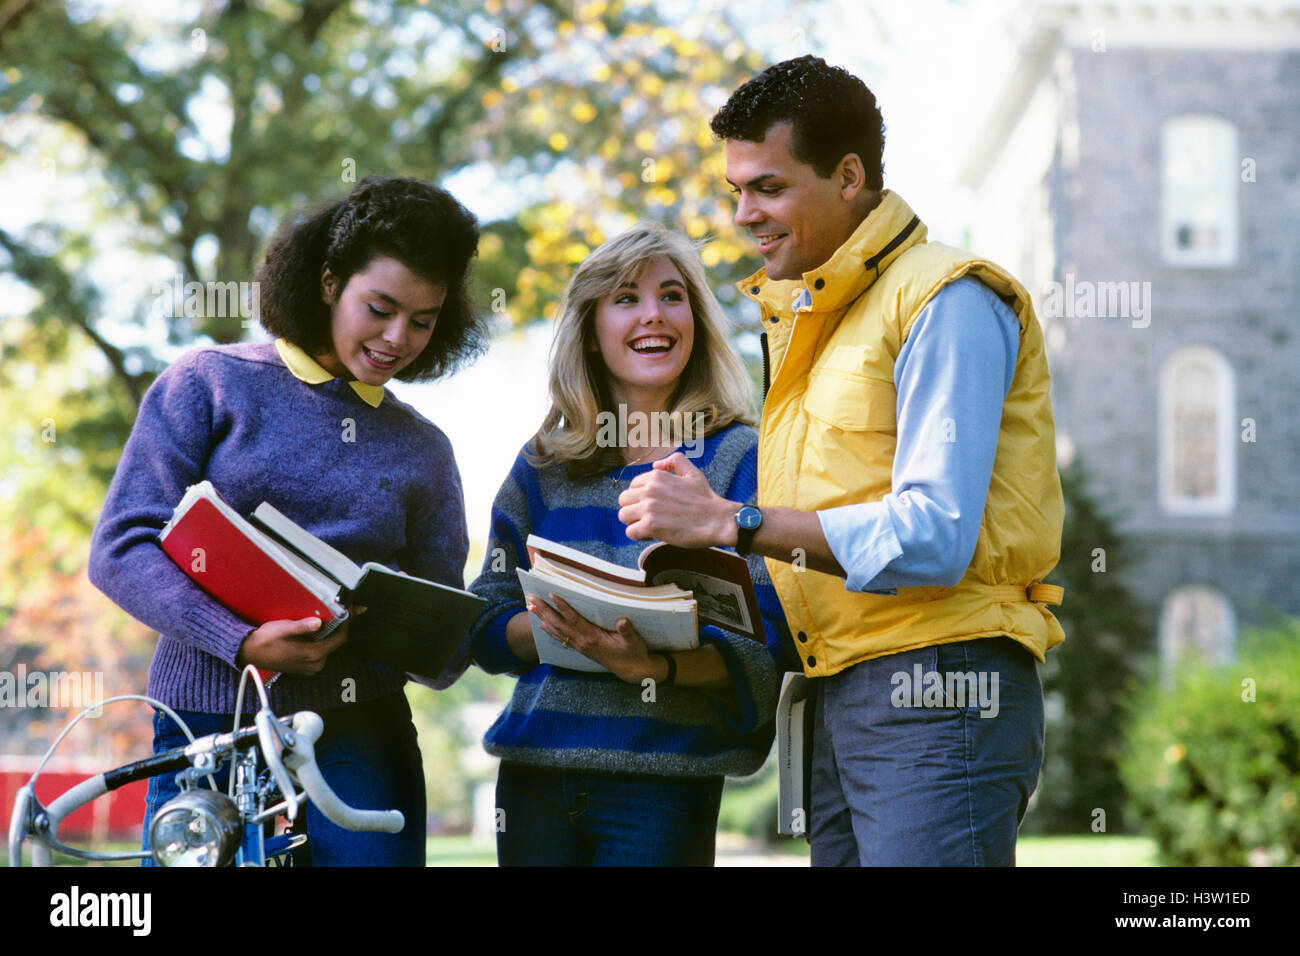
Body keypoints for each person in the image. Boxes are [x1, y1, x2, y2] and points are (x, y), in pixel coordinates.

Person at [617, 56, 1066, 866]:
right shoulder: (810, 322)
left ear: (849, 175)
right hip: (837, 690)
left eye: (769, 188)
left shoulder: (946, 300)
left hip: (940, 686)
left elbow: (934, 534)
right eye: (736, 192)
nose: (745, 214)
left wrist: (732, 521)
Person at [89, 175, 487, 866]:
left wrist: (420, 628)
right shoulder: (209, 383)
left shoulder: (425, 449)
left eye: (422, 320)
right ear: (329, 282)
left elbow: (443, 642)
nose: (398, 338)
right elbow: (121, 547)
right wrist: (240, 639)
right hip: (206, 724)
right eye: (381, 307)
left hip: (361, 732)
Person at [467, 221, 793, 867]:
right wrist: (562, 631)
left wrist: (654, 666)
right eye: (626, 298)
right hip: (534, 780)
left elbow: (772, 639)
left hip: (664, 785)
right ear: (590, 329)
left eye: (673, 296)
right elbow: (480, 623)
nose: (655, 315)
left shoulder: (739, 458)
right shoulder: (541, 466)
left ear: (696, 319)